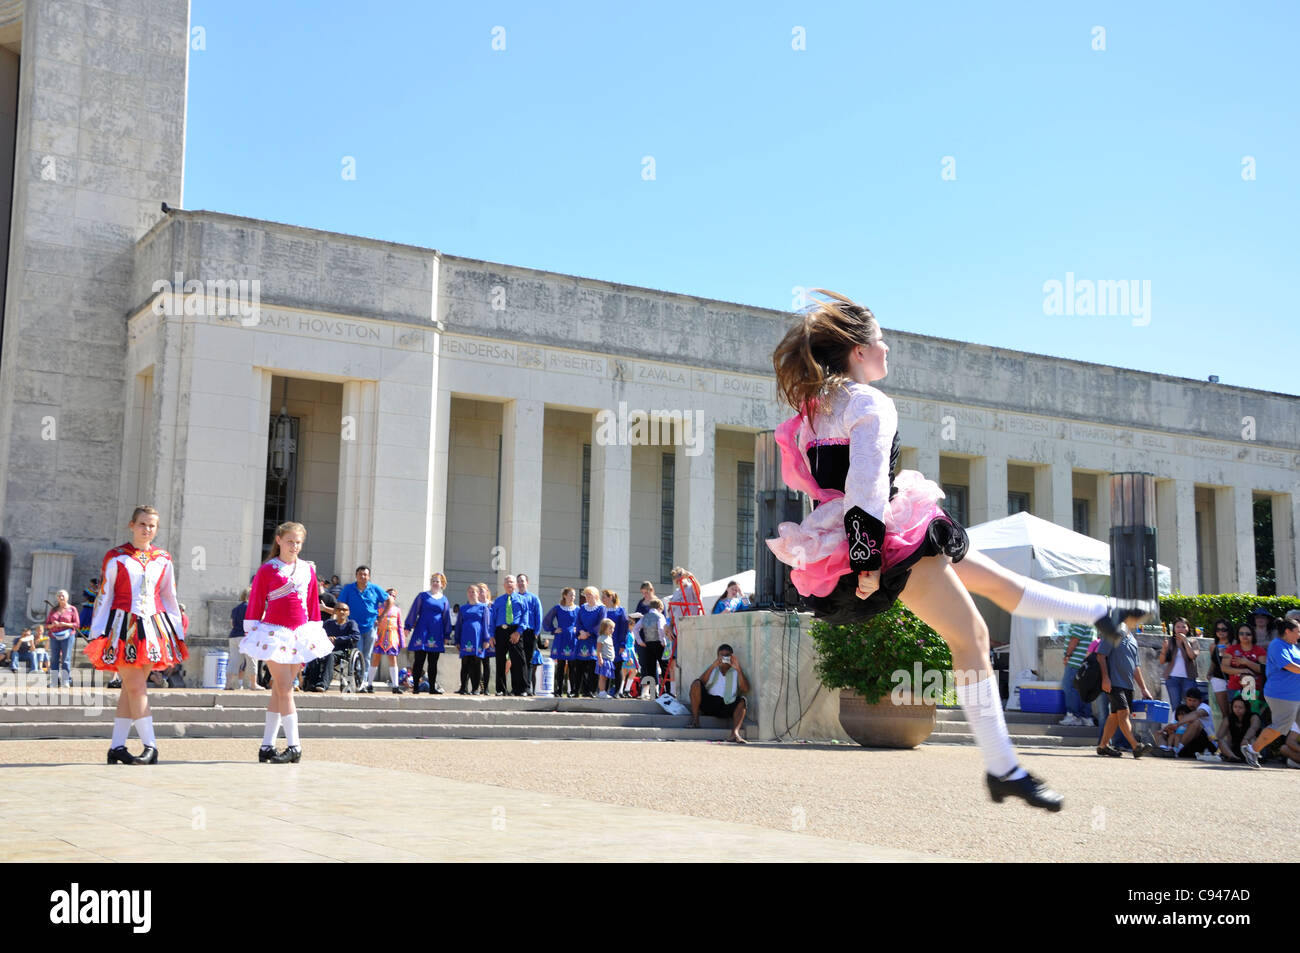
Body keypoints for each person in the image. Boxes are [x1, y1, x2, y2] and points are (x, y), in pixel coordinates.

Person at [766, 292, 1160, 809]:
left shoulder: (815, 411)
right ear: (859, 351)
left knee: (1002, 584)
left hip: (880, 527)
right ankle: (1003, 767)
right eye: (881, 339)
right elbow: (862, 492)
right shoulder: (867, 402)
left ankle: (1102, 614)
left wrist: (854, 551)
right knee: (971, 634)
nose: (888, 348)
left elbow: (831, 492)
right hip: (885, 537)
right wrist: (865, 561)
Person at [85, 505, 187, 765]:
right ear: (132, 525)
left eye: (152, 525)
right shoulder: (116, 556)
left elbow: (168, 595)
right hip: (122, 628)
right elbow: (104, 596)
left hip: (153, 629)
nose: (147, 529)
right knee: (136, 687)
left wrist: (176, 629)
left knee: (130, 691)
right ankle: (151, 746)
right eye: (142, 524)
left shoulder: (163, 558)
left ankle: (117, 747)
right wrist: (97, 632)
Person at [240, 521, 333, 763]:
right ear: (279, 540)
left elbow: (313, 602)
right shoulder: (267, 569)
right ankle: (295, 746)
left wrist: (315, 627)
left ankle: (266, 745)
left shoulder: (307, 569)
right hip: (274, 632)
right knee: (284, 687)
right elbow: (257, 600)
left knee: (279, 690)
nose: (294, 546)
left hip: (300, 632)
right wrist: (250, 626)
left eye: (298, 542)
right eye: (290, 541)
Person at [1240, 617, 1300, 768]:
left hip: (1294, 694)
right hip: (1282, 694)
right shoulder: (1277, 645)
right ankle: (1252, 749)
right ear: (1287, 631)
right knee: (1280, 726)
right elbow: (1289, 666)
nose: (1299, 634)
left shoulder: (1293, 646)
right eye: (1297, 631)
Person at [1096, 623, 1155, 758]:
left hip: (1128, 685)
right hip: (1114, 682)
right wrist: (1105, 678)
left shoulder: (1133, 639)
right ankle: (1136, 746)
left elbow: (1136, 666)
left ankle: (1103, 745)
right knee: (1124, 712)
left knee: (1115, 716)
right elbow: (1101, 656)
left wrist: (1144, 688)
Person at [337, 565, 390, 694]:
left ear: (369, 576)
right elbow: (340, 605)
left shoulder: (374, 589)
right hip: (354, 628)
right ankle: (356, 681)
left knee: (366, 656)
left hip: (370, 627)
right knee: (357, 653)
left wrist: (382, 616)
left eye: (365, 574)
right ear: (356, 576)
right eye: (360, 574)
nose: (363, 577)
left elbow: (389, 600)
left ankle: (363, 683)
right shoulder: (349, 589)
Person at [690, 644, 749, 744]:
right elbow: (701, 682)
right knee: (696, 683)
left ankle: (735, 733)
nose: (724, 658)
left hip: (727, 704)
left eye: (727, 655)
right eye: (722, 655)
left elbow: (745, 689)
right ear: (717, 656)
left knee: (743, 700)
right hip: (710, 703)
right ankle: (695, 721)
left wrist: (738, 669)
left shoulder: (736, 671)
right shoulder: (713, 668)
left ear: (732, 657)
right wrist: (713, 666)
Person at [406, 573, 451, 694]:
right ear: (431, 583)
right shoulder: (423, 596)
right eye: (434, 581)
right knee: (419, 660)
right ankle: (415, 687)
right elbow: (414, 611)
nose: (435, 583)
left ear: (442, 584)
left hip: (436, 633)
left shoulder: (444, 599)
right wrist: (408, 626)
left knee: (433, 662)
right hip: (422, 631)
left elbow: (446, 617)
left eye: (438, 581)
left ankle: (432, 688)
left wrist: (447, 635)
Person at [306, 602, 359, 691]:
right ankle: (312, 683)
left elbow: (356, 637)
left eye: (344, 610)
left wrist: (336, 639)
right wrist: (327, 638)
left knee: (330, 655)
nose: (342, 612)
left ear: (348, 612)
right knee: (314, 655)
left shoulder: (351, 624)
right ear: (334, 611)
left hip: (342, 651)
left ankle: (323, 684)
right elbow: (318, 635)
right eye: (339, 609)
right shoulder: (328, 623)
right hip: (325, 649)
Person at [1153, 686, 1215, 758]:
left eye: (1194, 701)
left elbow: (1196, 714)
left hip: (1202, 742)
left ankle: (1176, 750)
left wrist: (1178, 724)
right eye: (1189, 700)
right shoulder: (1180, 709)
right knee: (1159, 733)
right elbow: (1172, 724)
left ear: (1200, 701)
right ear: (1186, 700)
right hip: (1180, 740)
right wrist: (1165, 730)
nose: (1191, 703)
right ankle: (1163, 749)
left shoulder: (1204, 707)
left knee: (1196, 723)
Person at [492, 576, 528, 696]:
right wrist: (491, 635)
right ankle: (501, 689)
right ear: (504, 585)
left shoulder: (522, 600)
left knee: (518, 661)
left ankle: (520, 689)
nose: (509, 584)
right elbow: (492, 619)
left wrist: (518, 632)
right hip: (500, 631)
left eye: (511, 582)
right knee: (500, 661)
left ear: (516, 585)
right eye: (506, 582)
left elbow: (525, 617)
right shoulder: (498, 601)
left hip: (515, 631)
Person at [1158, 617, 1200, 713]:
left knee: (1190, 706)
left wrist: (1185, 641)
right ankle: (1177, 726)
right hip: (1172, 678)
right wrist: (1164, 649)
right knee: (1176, 706)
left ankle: (1189, 726)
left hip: (1189, 678)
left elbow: (1192, 656)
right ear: (1174, 628)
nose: (1180, 629)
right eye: (1178, 627)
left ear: (1188, 628)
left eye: (1183, 627)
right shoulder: (1170, 641)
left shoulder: (1193, 641)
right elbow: (1161, 661)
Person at [544, 587, 580, 697]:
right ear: (565, 595)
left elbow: (583, 622)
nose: (572, 597)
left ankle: (572, 690)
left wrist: (578, 629)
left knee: (573, 666)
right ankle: (558, 690)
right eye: (570, 595)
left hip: (573, 638)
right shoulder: (558, 608)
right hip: (561, 638)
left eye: (574, 595)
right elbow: (546, 620)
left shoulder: (578, 609)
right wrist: (553, 629)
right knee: (560, 665)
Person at [1058, 622, 1094, 727]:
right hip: (1085, 662)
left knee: (1068, 686)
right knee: (1083, 689)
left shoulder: (1081, 618)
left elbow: (1075, 639)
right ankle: (1086, 717)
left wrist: (1067, 655)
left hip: (1075, 662)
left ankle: (1073, 716)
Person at [632, 597, 668, 697]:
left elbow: (635, 629)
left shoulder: (645, 617)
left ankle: (653, 693)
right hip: (658, 644)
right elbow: (661, 628)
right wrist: (663, 640)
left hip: (648, 644)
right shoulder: (660, 616)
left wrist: (640, 641)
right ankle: (666, 691)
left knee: (651, 668)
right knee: (664, 666)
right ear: (660, 607)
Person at [455, 587, 489, 694]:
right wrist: (457, 640)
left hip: (478, 639)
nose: (471, 594)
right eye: (469, 592)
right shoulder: (463, 608)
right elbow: (458, 625)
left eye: (473, 592)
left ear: (478, 594)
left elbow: (486, 624)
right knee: (465, 663)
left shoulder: (483, 607)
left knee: (476, 663)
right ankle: (463, 688)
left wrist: (486, 639)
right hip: (465, 638)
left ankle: (475, 688)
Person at [373, 587, 406, 694]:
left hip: (392, 636)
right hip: (379, 636)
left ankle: (395, 686)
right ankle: (369, 684)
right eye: (389, 594)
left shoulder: (397, 610)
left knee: (393, 660)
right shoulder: (378, 608)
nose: (391, 597)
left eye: (393, 595)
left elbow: (400, 626)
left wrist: (402, 641)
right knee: (375, 659)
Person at [1222, 623, 1266, 704]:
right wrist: (1243, 670)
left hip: (1255, 689)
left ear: (1253, 635)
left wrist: (1247, 662)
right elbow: (1224, 668)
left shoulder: (1259, 650)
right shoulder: (1231, 649)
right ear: (1238, 635)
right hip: (1234, 688)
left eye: (1248, 634)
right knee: (1235, 714)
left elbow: (1263, 669)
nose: (1244, 636)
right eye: (1241, 633)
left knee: (1252, 713)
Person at [575, 586, 606, 698]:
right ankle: (578, 690)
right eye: (586, 595)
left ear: (596, 596)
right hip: (582, 640)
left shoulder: (601, 608)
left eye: (590, 594)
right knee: (580, 666)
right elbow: (578, 622)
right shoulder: (582, 608)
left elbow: (600, 624)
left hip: (594, 640)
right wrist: (581, 632)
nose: (587, 597)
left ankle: (592, 690)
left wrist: (588, 633)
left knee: (592, 666)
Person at [516, 573, 544, 696]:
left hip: (530, 633)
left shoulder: (533, 598)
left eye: (523, 581)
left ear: (527, 583)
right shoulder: (514, 598)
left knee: (528, 661)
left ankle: (527, 688)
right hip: (517, 633)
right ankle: (517, 687)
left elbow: (539, 616)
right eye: (519, 581)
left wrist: (536, 633)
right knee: (517, 661)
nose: (521, 583)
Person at [45, 590, 79, 687]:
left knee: (66, 659)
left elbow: (77, 624)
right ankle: (54, 681)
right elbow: (47, 624)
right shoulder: (53, 610)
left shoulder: (72, 609)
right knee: (54, 659)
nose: (61, 597)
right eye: (59, 596)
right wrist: (52, 625)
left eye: (63, 596)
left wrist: (65, 624)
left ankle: (66, 680)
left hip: (68, 636)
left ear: (67, 598)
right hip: (54, 636)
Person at [1215, 695, 1262, 763]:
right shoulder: (1228, 719)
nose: (1237, 709)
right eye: (1235, 707)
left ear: (1246, 708)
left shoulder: (1254, 717)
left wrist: (1245, 738)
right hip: (1235, 747)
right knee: (1220, 740)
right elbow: (1219, 736)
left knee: (1252, 738)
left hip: (1250, 746)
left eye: (1240, 707)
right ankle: (1233, 757)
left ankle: (1253, 758)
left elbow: (1253, 729)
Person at [600, 589, 629, 693]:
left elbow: (624, 628)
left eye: (604, 597)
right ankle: (604, 691)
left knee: (617, 668)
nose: (602, 599)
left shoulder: (620, 610)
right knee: (605, 668)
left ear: (610, 597)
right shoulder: (602, 610)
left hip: (617, 643)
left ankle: (617, 692)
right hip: (604, 643)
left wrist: (622, 644)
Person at [1206, 618, 1232, 723]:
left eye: (1223, 629)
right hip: (1218, 678)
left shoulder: (1233, 644)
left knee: (1236, 711)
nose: (1220, 632)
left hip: (1233, 678)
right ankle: (1227, 738)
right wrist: (1209, 674)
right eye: (1218, 629)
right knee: (1224, 712)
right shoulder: (1213, 646)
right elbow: (1213, 662)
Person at [594, 617, 617, 698]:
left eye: (613, 628)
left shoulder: (609, 638)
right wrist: (600, 659)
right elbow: (599, 650)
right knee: (602, 677)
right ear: (604, 628)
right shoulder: (601, 638)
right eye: (610, 628)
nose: (612, 630)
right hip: (604, 660)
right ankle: (601, 692)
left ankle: (603, 691)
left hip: (609, 660)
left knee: (605, 677)